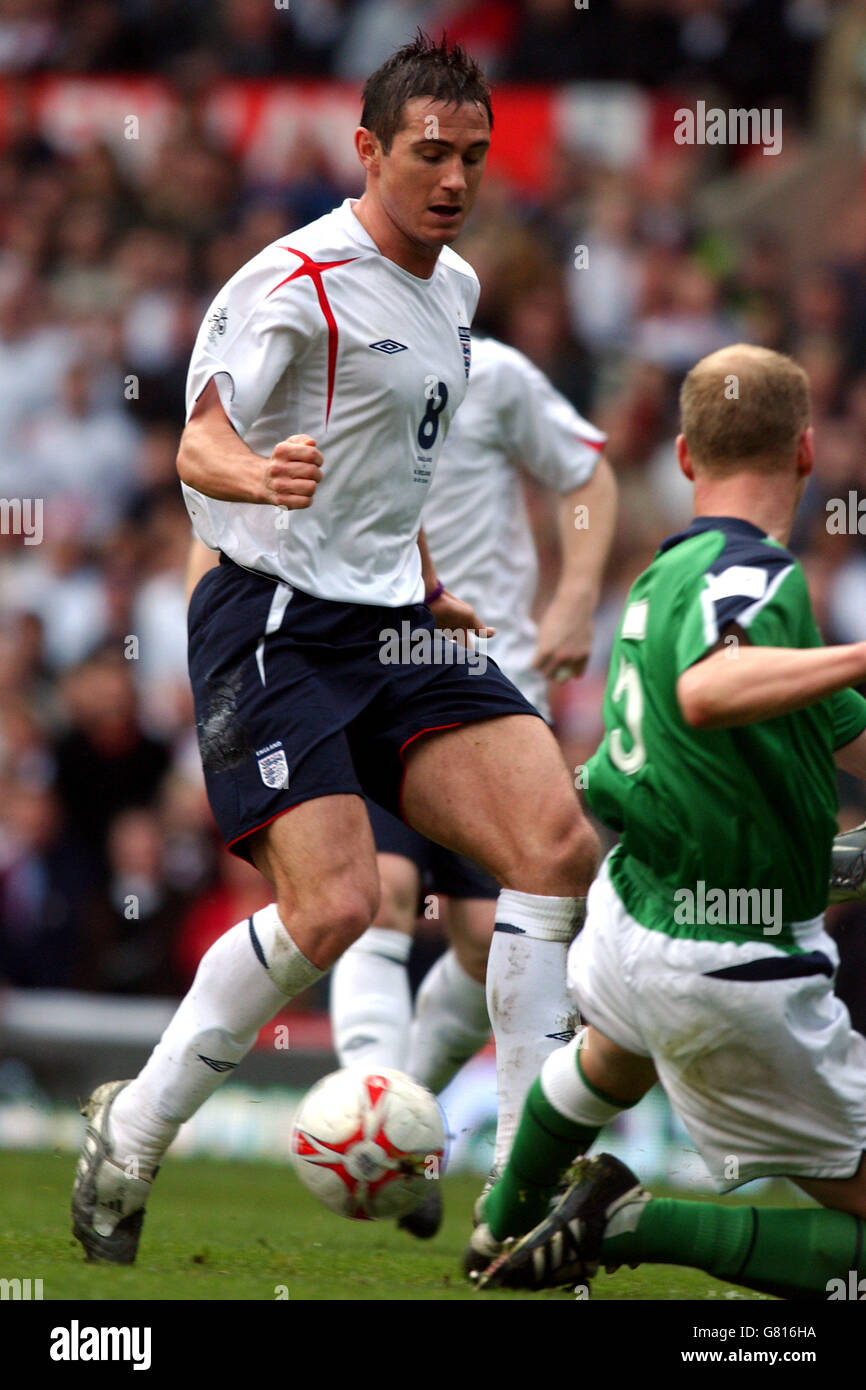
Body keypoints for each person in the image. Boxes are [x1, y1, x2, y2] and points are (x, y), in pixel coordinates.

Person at [71, 33, 599, 1265]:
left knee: (555, 845)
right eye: (430, 153)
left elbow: (388, 467)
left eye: (472, 155)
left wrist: (421, 579)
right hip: (270, 615)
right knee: (338, 906)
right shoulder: (291, 282)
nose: (455, 178)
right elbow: (198, 445)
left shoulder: (457, 290)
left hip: (393, 619)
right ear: (367, 150)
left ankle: (515, 1188)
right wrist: (258, 471)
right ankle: (133, 1133)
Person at [472, 344, 866, 1298]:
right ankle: (632, 1220)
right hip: (731, 965)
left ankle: (497, 1225)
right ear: (808, 452)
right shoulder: (758, 579)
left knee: (611, 1053)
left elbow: (806, 734)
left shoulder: (660, 580)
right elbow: (709, 691)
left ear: (686, 457)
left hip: (631, 921)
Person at [327, 332, 615, 1238]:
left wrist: (573, 598)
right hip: (373, 676)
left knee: (487, 939)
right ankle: (384, 1132)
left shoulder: (494, 376)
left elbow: (588, 476)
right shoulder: (339, 371)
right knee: (381, 894)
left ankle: (399, 1117)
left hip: (489, 686)